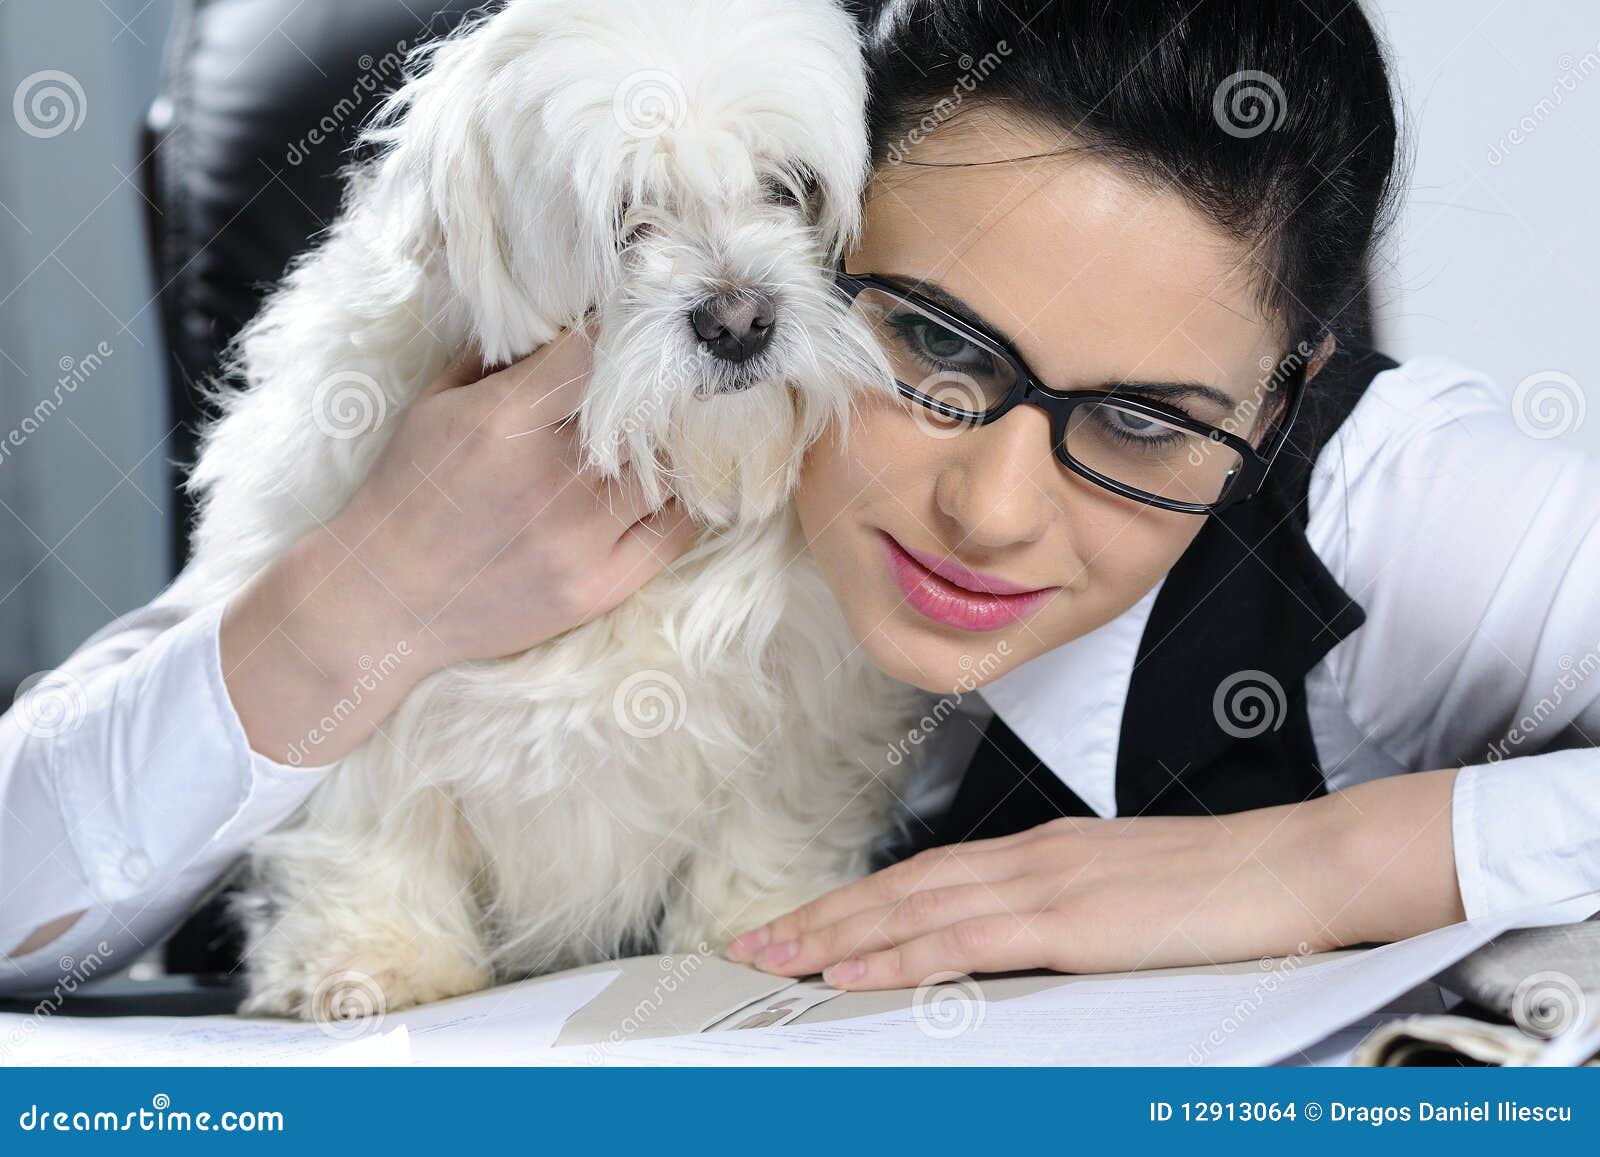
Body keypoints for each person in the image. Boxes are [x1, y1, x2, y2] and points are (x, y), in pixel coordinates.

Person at [3, 0, 1597, 999]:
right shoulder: (527, 457)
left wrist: (1307, 864)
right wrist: (369, 593)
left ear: (1289, 398)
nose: (988, 506)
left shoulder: (1386, 507)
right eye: (935, 339)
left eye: (1144, 422)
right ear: (831, 226)